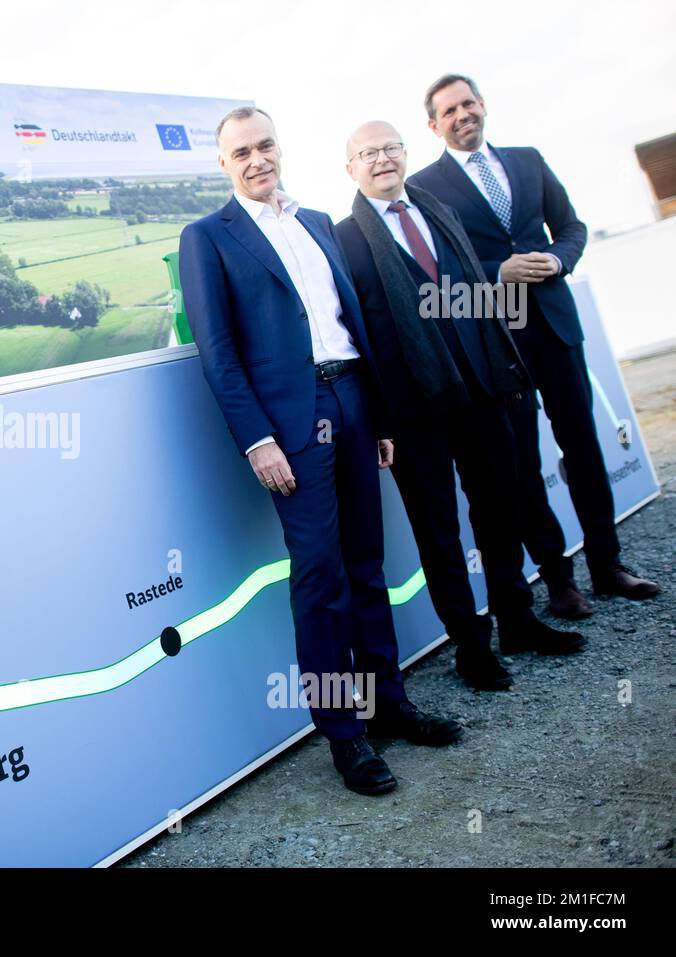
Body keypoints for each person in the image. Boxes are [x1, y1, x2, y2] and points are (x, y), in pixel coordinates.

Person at [178, 106, 461, 797]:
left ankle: (388, 701)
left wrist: (382, 416)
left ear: (280, 148)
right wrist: (256, 437)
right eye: (240, 151)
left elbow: (352, 323)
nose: (256, 159)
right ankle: (343, 733)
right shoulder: (207, 238)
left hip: (356, 402)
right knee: (321, 579)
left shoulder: (316, 223)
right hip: (291, 424)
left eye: (265, 145)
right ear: (224, 164)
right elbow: (219, 354)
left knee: (369, 565)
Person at [334, 121, 586, 691]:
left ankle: (518, 621)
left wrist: (504, 367)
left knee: (500, 511)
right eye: (367, 153)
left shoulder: (438, 214)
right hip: (410, 411)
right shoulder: (344, 239)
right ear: (349, 169)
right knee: (439, 534)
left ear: (405, 154)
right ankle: (471, 648)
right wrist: (376, 418)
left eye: (390, 148)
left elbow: (474, 296)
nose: (381, 160)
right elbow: (356, 335)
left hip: (479, 390)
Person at [408, 74, 660, 616]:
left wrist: (560, 258)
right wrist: (499, 272)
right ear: (434, 125)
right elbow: (440, 273)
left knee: (584, 449)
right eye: (448, 111)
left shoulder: (527, 160)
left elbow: (571, 226)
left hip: (556, 326)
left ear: (483, 105)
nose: (462, 115)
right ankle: (558, 578)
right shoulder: (425, 188)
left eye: (468, 103)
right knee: (521, 465)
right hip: (497, 341)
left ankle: (607, 565)